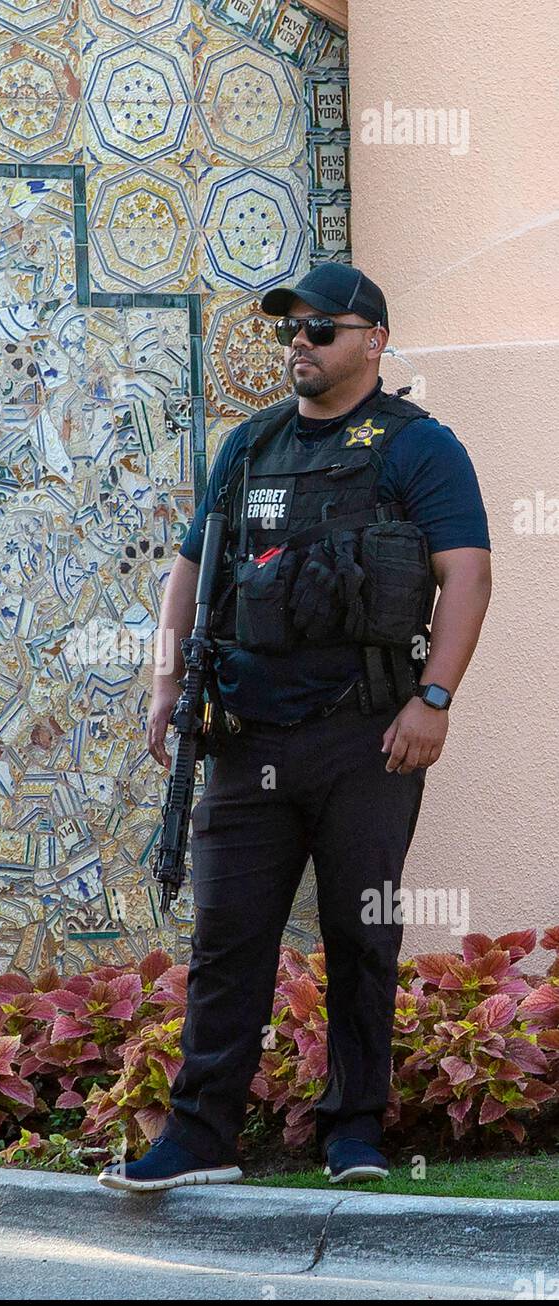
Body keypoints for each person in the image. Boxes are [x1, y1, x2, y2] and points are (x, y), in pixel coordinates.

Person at [98, 263, 492, 1193]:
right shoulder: (249, 447)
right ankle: (200, 1138)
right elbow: (190, 570)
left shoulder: (417, 448)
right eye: (290, 331)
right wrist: (165, 684)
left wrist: (430, 700)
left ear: (372, 340)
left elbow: (465, 573)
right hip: (245, 732)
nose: (300, 345)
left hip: (366, 735)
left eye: (321, 329)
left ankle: (353, 1131)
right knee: (227, 939)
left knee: (364, 936)